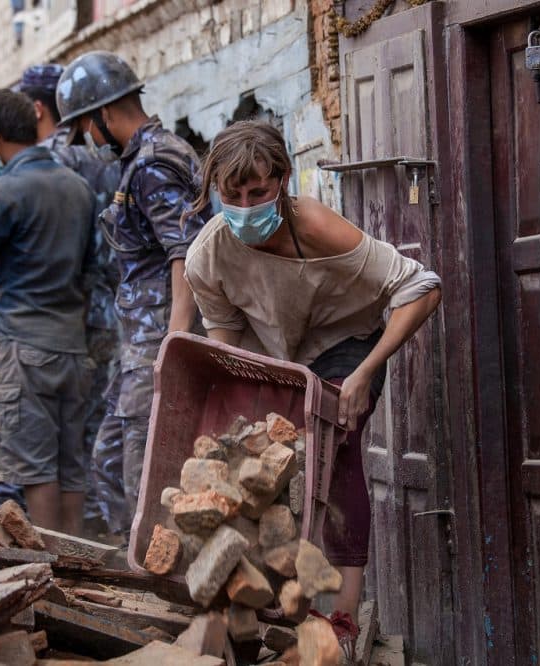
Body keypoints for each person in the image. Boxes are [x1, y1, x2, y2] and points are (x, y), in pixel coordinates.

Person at [183, 120, 442, 656]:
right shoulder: (207, 256)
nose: (246, 206)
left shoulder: (316, 226)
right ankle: (258, 604)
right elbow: (226, 350)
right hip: (278, 356)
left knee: (333, 449)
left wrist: (364, 372)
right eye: (233, 195)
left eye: (258, 192)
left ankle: (341, 617)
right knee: (262, 462)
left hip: (348, 344)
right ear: (215, 192)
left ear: (281, 180)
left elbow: (421, 286)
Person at [55, 51, 212, 536]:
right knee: (110, 462)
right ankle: (139, 572)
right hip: (140, 344)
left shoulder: (152, 164)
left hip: (156, 343)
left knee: (144, 475)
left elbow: (184, 253)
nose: (85, 139)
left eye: (84, 126)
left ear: (103, 114)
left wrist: (174, 344)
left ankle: (153, 586)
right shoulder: (150, 157)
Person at [0, 89, 96, 533]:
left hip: (22, 348)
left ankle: (54, 570)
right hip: (73, 347)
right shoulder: (79, 187)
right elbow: (90, 269)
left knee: (36, 470)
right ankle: (77, 561)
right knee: (71, 466)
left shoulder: (6, 191)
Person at [17, 62, 121, 536]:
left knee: (62, 436)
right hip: (121, 311)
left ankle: (71, 542)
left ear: (38, 108)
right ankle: (106, 531)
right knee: (106, 425)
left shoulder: (49, 161)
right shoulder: (113, 151)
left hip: (69, 319)